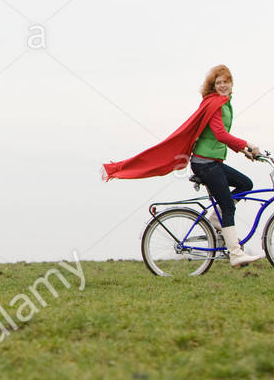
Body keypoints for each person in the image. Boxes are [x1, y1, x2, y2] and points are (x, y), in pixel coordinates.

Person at [102, 64, 264, 268]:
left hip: (212, 161)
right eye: (218, 83)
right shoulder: (215, 104)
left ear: (232, 83)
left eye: (226, 82)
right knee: (228, 205)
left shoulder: (224, 103)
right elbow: (220, 135)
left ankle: (216, 219)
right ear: (213, 86)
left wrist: (244, 152)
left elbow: (216, 138)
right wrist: (249, 145)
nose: (222, 86)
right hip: (206, 164)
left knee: (245, 184)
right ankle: (235, 253)